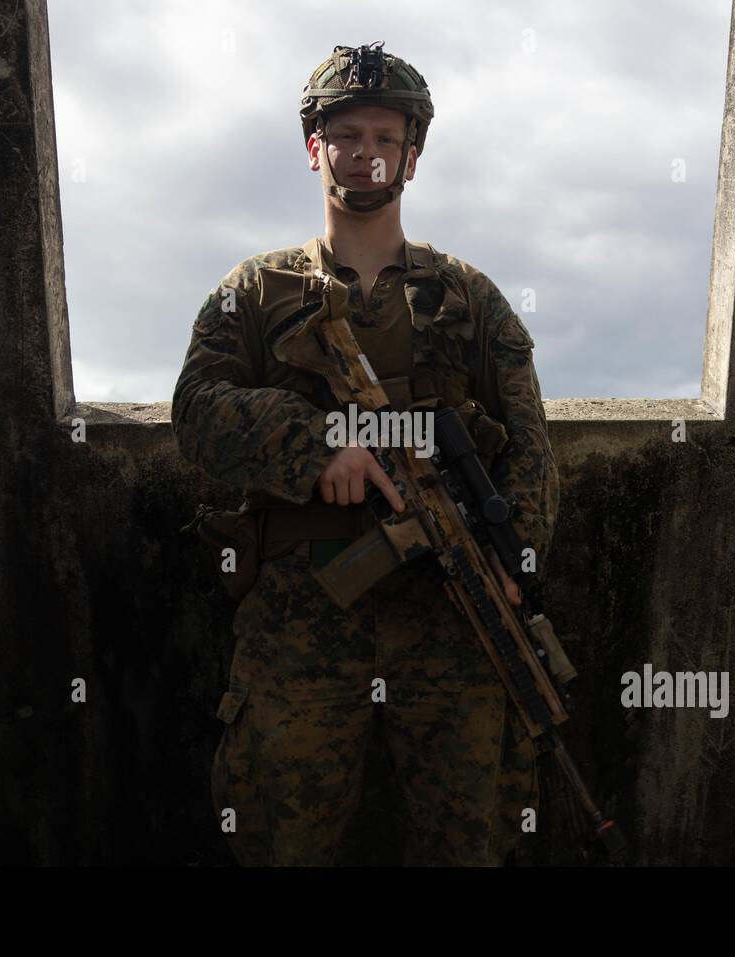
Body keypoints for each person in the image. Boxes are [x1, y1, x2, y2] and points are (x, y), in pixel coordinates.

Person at [172, 40, 559, 866]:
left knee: (471, 840)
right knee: (285, 837)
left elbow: (530, 445)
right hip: (301, 617)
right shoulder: (256, 291)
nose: (366, 154)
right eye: (346, 134)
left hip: (452, 619)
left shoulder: (468, 298)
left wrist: (511, 562)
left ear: (412, 156)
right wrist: (317, 446)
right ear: (315, 148)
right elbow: (195, 413)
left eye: (386, 138)